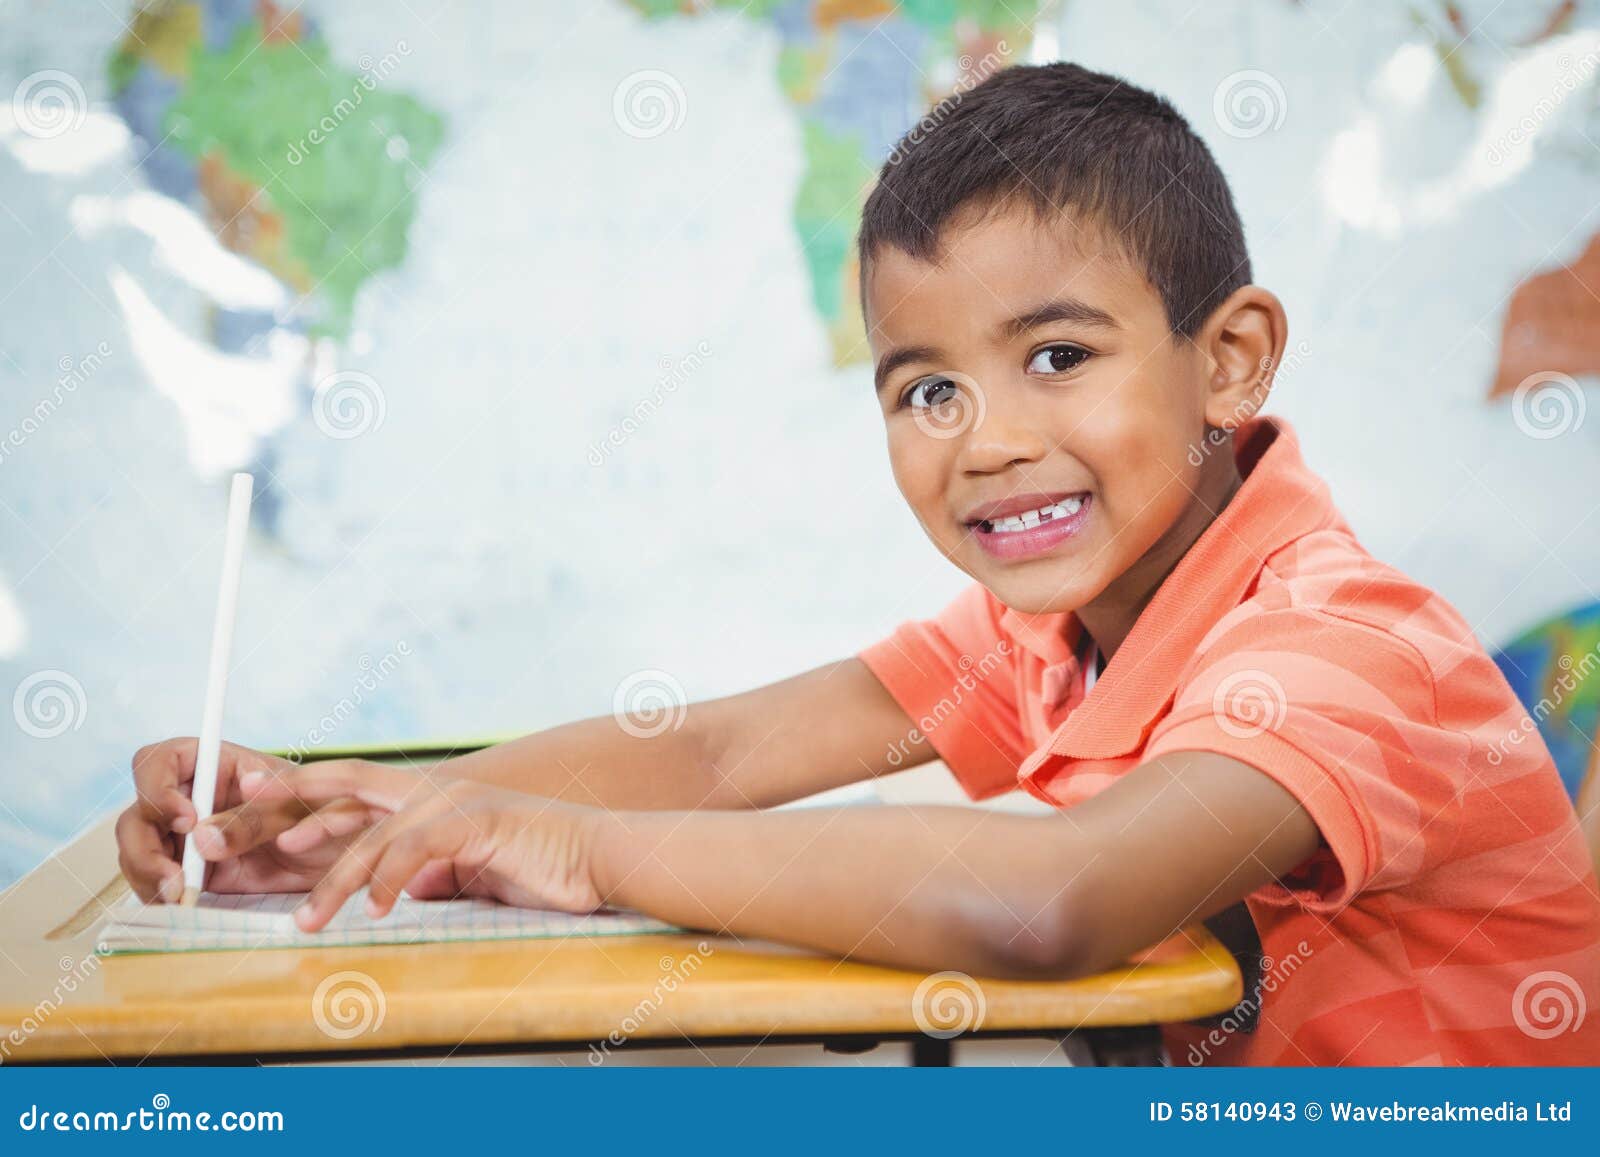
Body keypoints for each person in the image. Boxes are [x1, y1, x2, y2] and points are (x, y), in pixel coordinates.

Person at [117, 63, 1600, 1065]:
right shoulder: (1056, 627)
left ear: (1230, 361)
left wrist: (569, 846)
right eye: (925, 388)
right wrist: (381, 822)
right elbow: (712, 752)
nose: (987, 439)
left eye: (1059, 355)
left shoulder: (1346, 645)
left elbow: (1060, 898)